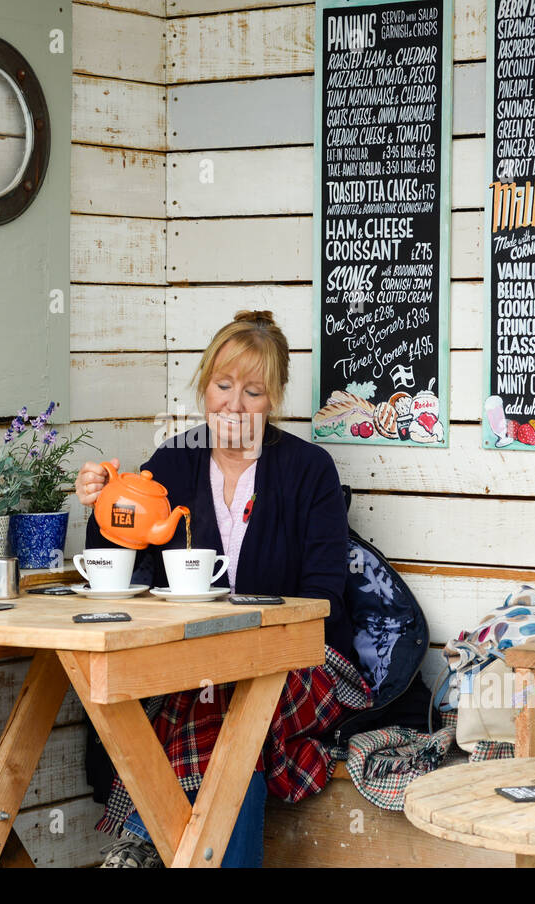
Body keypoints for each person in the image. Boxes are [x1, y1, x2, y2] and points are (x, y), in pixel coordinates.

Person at [74, 310, 372, 868]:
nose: (233, 405)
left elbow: (324, 598)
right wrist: (101, 507)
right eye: (223, 385)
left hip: (305, 659)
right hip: (197, 661)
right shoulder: (171, 464)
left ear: (275, 397)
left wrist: (248, 642)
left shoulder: (308, 471)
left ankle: (141, 838)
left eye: (253, 391)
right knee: (220, 702)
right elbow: (120, 561)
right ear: (204, 385)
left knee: (234, 703)